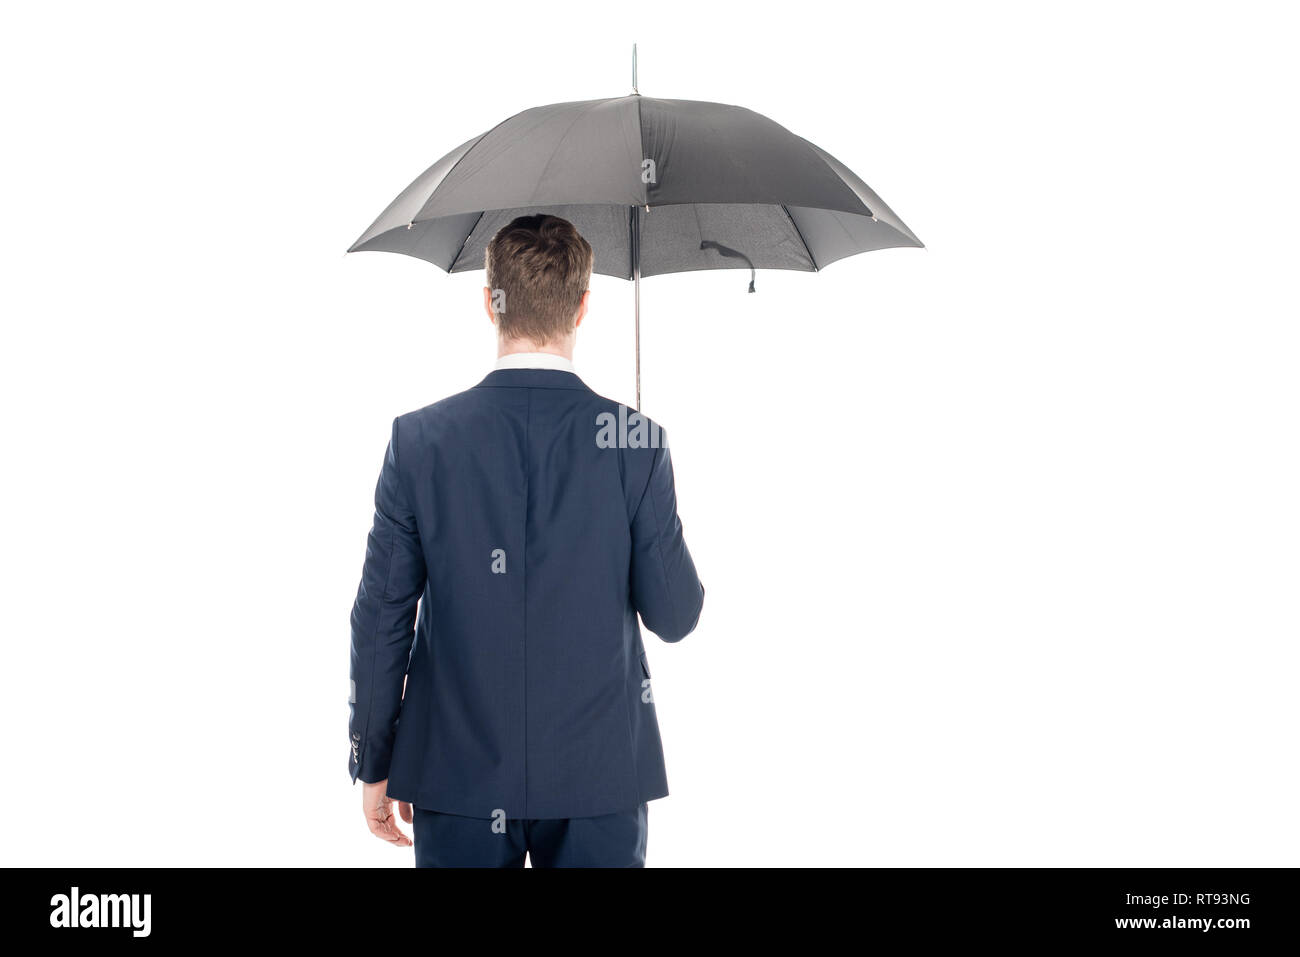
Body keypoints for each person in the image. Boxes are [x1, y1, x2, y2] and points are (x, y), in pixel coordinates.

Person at [346, 214, 704, 867]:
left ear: (490, 301)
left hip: (457, 778)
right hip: (599, 780)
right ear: (585, 303)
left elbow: (381, 622)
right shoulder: (636, 444)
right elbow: (676, 615)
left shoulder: (420, 442)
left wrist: (372, 758)